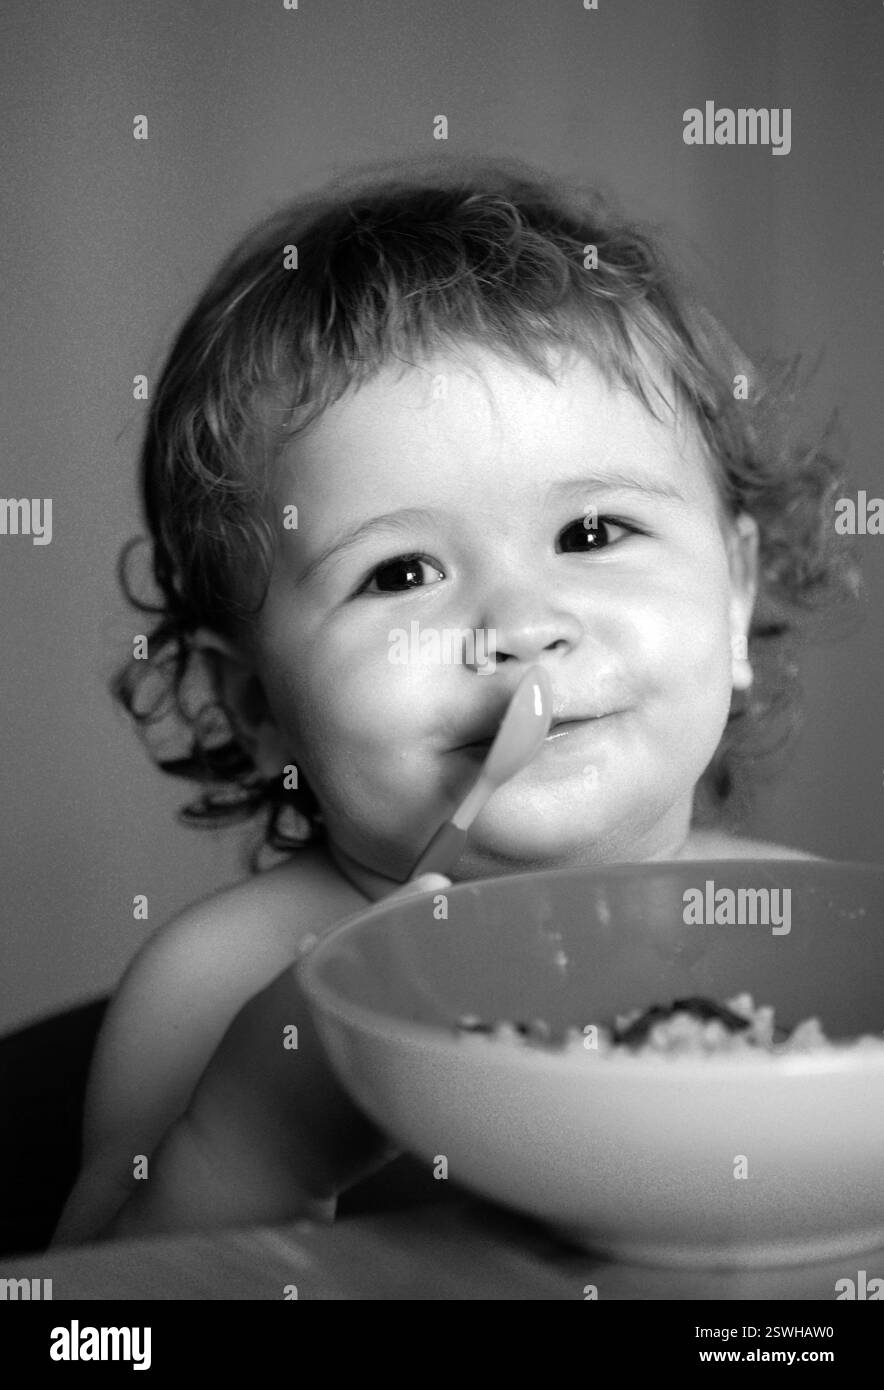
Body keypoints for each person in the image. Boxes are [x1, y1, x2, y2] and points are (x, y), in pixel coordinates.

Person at [51, 156, 859, 1247]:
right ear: (251, 705)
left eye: (591, 533)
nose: (519, 626)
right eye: (398, 573)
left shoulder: (816, 951)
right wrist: (255, 1140)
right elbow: (101, 1327)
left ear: (733, 602)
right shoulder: (222, 985)